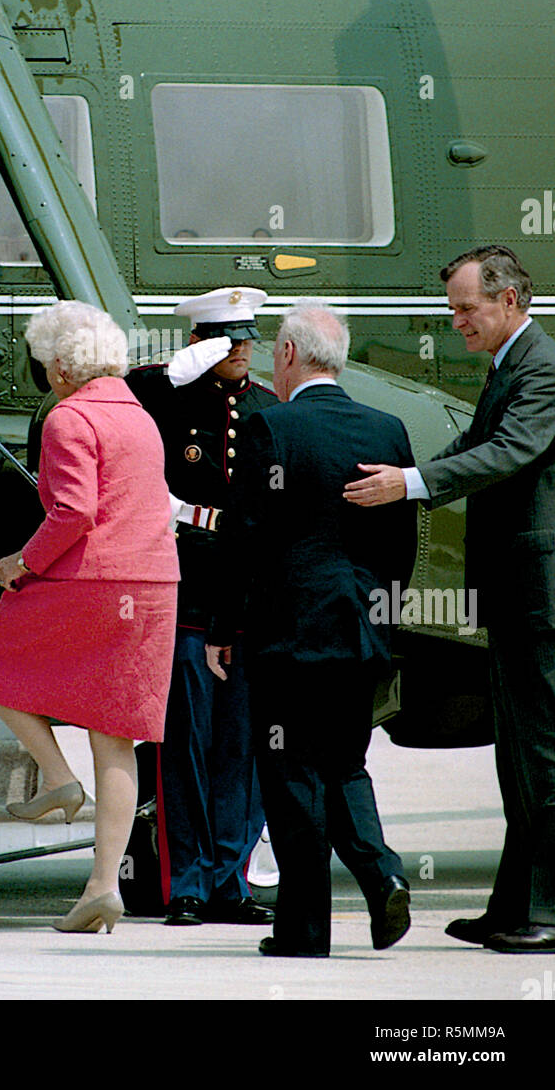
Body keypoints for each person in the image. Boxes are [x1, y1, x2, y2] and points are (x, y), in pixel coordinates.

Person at [345, 245, 555, 955]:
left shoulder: (541, 367)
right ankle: (512, 908)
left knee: (543, 755)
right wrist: (405, 471)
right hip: (513, 593)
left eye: (466, 309)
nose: (457, 323)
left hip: (538, 593)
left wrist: (407, 485)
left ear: (508, 301)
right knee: (518, 759)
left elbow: (510, 451)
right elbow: (473, 440)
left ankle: (549, 912)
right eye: (453, 310)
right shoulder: (508, 365)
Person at [0, 301, 179, 934]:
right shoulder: (140, 415)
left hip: (93, 581)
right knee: (116, 737)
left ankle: (56, 777)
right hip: (155, 583)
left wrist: (17, 563)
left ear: (57, 367)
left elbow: (73, 513)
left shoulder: (67, 417)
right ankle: (104, 888)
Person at [214, 303, 417, 958]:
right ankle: (380, 870)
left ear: (288, 355)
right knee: (345, 762)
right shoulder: (386, 429)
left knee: (290, 770)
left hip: (288, 633)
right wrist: (377, 613)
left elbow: (243, 538)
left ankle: (304, 929)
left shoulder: (269, 426)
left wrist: (223, 624)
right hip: (360, 628)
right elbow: (400, 544)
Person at [126, 288, 275, 927]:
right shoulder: (169, 399)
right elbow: (130, 393)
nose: (242, 349)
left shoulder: (267, 407)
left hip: (245, 593)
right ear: (202, 344)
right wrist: (178, 368)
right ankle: (183, 881)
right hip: (184, 585)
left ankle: (229, 882)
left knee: (241, 746)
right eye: (228, 338)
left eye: (247, 337)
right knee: (181, 743)